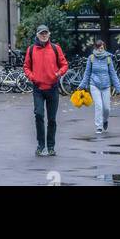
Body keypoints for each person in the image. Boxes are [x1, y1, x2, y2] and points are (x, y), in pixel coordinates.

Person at [23, 24, 68, 156]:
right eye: (41, 33)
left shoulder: (55, 48)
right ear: (37, 35)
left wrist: (58, 73)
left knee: (52, 119)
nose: (44, 35)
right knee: (39, 115)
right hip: (38, 88)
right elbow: (26, 66)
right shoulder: (31, 49)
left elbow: (64, 64)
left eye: (46, 33)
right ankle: (40, 145)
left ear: (49, 34)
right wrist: (32, 77)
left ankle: (51, 146)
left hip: (52, 88)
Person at [80, 40, 120, 135]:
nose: (100, 49)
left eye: (102, 48)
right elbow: (87, 73)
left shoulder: (108, 58)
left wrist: (118, 88)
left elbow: (113, 74)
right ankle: (99, 126)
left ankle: (105, 120)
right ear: (95, 48)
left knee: (106, 108)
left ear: (104, 48)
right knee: (99, 106)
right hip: (94, 85)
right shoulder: (91, 58)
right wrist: (82, 85)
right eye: (98, 47)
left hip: (106, 86)